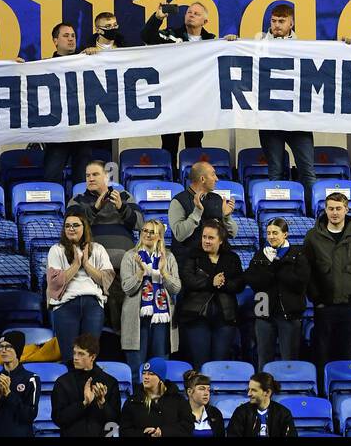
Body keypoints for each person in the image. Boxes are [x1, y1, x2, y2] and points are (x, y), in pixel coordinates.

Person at [67, 157, 142, 330]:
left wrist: (122, 208)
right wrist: (94, 209)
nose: (90, 179)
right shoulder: (78, 200)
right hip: (93, 267)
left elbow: (139, 223)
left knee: (122, 314)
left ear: (107, 177)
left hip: (123, 267)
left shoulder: (124, 196)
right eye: (87, 175)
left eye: (95, 174)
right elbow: (71, 227)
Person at [303, 191, 351, 365]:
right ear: (325, 210)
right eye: (330, 208)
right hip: (324, 307)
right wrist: (316, 300)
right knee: (323, 355)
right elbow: (307, 271)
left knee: (349, 355)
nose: (334, 212)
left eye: (338, 208)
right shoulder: (312, 236)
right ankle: (324, 391)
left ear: (346, 210)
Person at [144, 3, 218, 163]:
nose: (191, 15)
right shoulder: (170, 35)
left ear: (205, 21)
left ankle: (194, 179)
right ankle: (169, 182)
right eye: (189, 12)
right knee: (169, 143)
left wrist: (231, 41)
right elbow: (147, 36)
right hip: (172, 98)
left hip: (196, 100)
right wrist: (157, 18)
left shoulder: (212, 42)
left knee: (194, 143)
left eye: (197, 13)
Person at [256, 4, 316, 198]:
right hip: (270, 117)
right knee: (275, 172)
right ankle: (278, 212)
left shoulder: (304, 47)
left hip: (297, 119)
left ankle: (311, 213)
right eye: (273, 21)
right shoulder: (257, 42)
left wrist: (346, 47)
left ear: (292, 23)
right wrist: (231, 43)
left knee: (307, 170)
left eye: (281, 21)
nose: (276, 25)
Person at [119, 218, 181, 376]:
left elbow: (176, 288)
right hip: (137, 320)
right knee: (136, 371)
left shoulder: (169, 257)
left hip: (162, 320)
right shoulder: (130, 256)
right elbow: (127, 288)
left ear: (159, 236)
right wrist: (140, 272)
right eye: (144, 231)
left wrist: (164, 272)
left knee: (160, 371)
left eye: (151, 232)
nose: (146, 234)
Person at [180, 217, 245, 366]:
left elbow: (240, 283)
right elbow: (187, 280)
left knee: (219, 364)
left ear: (221, 240)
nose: (206, 241)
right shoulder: (192, 255)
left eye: (211, 238)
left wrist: (224, 283)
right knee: (200, 363)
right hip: (196, 317)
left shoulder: (232, 258)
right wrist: (211, 282)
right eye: (204, 237)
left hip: (225, 318)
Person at [247, 216, 311, 365]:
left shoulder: (298, 255)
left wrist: (275, 269)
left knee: (289, 360)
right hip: (263, 314)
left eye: (275, 233)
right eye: (268, 233)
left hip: (289, 315)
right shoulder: (260, 255)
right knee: (263, 359)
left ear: (285, 234)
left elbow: (300, 283)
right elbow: (253, 280)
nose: (271, 236)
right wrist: (274, 270)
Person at [46, 211, 114, 349]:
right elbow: (55, 283)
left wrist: (87, 265)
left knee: (88, 354)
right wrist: (76, 265)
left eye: (75, 225)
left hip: (92, 305)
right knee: (69, 356)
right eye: (67, 226)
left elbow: (106, 280)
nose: (71, 228)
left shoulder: (98, 249)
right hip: (65, 305)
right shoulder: (56, 250)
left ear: (84, 228)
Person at [50, 334, 121, 438]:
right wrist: (83, 404)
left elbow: (115, 421)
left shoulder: (110, 382)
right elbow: (58, 419)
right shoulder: (63, 382)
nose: (75, 358)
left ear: (93, 357)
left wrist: (102, 403)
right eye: (74, 353)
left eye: (81, 354)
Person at [0, 332, 41, 438]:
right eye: (1, 346)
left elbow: (29, 416)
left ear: (18, 349)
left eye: (8, 346)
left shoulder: (31, 379)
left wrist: (9, 395)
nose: (3, 350)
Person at [119, 358, 194, 437]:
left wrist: (163, 432)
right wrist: (143, 433)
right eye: (144, 373)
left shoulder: (178, 400)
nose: (146, 377)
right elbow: (124, 431)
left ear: (160, 378)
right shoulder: (133, 401)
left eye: (151, 374)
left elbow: (187, 426)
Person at [227, 373, 298, 437]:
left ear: (267, 392)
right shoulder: (241, 412)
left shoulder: (283, 414)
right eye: (249, 389)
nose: (248, 394)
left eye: (254, 390)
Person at [183, 371, 225, 436]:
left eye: (208, 389)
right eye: (201, 389)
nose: (206, 393)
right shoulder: (178, 414)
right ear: (189, 392)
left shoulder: (215, 413)